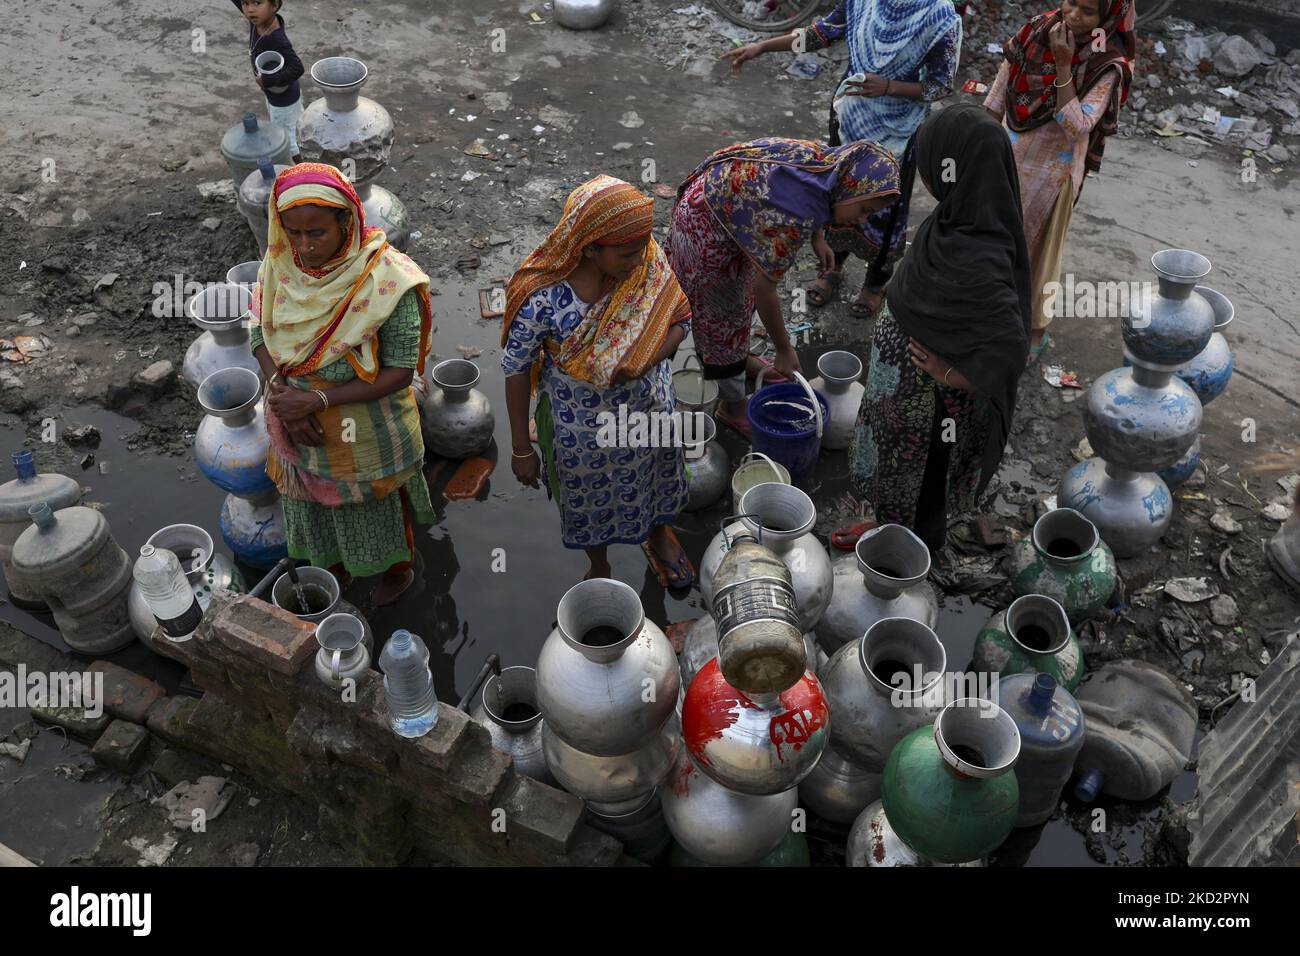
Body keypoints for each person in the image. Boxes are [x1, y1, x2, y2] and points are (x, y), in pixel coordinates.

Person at [842, 104, 1032, 552]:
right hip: (900, 409)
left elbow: (1010, 349)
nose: (926, 173)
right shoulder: (956, 218)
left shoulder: (978, 253)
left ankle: (909, 563)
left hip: (930, 421)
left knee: (922, 496)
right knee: (898, 488)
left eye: (933, 161)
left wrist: (952, 375)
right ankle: (888, 531)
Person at [249, 163, 435, 606]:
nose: (304, 246)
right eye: (293, 231)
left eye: (317, 233)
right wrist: (283, 397)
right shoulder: (278, 267)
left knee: (374, 514)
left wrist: (314, 400)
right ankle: (335, 573)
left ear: (346, 222)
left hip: (366, 431)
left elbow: (399, 373)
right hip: (296, 421)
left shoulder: (389, 280)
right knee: (313, 511)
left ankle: (398, 572)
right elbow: (259, 332)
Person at [502, 176, 695, 587]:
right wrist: (520, 447)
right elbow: (516, 368)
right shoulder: (542, 296)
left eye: (643, 247)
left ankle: (658, 535)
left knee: (657, 474)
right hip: (582, 430)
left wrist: (647, 360)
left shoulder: (646, 264)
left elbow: (679, 317)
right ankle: (600, 563)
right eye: (626, 253)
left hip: (648, 407)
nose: (639, 258)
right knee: (590, 499)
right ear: (589, 246)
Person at [723, 0, 962, 318]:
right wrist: (763, 47)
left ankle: (875, 283)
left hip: (898, 132)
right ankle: (832, 269)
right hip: (849, 118)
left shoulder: (940, 15)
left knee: (885, 208)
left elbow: (941, 85)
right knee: (840, 196)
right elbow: (821, 33)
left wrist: (889, 87)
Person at [666, 138, 900, 437]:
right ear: (850, 185)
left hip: (727, 205)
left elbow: (815, 191)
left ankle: (742, 359)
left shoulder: (827, 164)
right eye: (865, 208)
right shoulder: (794, 216)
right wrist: (784, 348)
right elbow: (765, 290)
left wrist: (818, 238)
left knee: (740, 304)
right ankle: (732, 407)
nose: (862, 218)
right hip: (705, 226)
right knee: (721, 321)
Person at [984, 0, 1136, 359]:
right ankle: (987, 311)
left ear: (1107, 17)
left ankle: (1036, 329)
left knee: (1040, 255)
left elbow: (1077, 126)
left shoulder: (1108, 62)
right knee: (991, 240)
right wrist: (982, 137)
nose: (1072, 15)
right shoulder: (1039, 29)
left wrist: (1064, 63)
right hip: (1007, 155)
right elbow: (1001, 86)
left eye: (1087, 11)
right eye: (1070, 2)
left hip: (1054, 171)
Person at [231, 0, 306, 163]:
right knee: (296, 126)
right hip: (275, 94)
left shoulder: (277, 39)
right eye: (246, 3)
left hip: (283, 100)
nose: (250, 10)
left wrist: (268, 80)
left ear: (274, 6)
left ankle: (304, 172)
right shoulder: (258, 21)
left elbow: (297, 68)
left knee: (288, 140)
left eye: (257, 3)